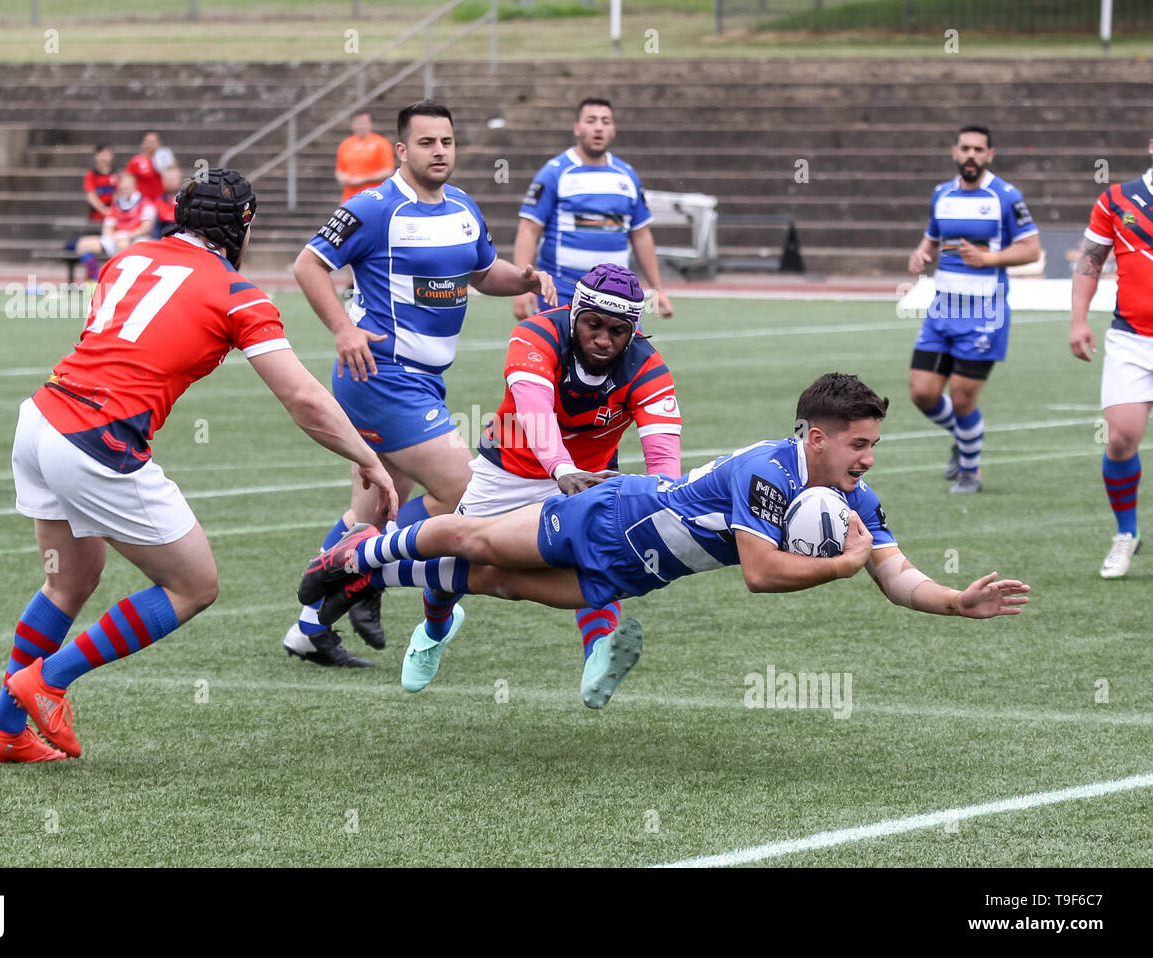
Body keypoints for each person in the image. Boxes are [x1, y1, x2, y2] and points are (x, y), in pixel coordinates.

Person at [0, 168, 398, 763]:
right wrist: (367, 458)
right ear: (242, 228)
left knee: (68, 580)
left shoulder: (129, 259)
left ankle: (3, 729)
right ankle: (45, 682)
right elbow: (302, 399)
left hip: (41, 418)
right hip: (97, 439)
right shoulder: (239, 294)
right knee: (194, 585)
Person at [302, 373, 1031, 709]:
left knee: (496, 583)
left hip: (636, 571)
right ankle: (352, 558)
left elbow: (896, 572)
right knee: (480, 539)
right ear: (817, 437)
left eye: (873, 445)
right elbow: (761, 573)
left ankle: (376, 582)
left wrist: (951, 601)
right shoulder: (767, 468)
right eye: (859, 444)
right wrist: (842, 563)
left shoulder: (853, 499)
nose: (868, 459)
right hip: (611, 517)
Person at [282, 99, 556, 668]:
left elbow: (484, 272)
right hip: (380, 378)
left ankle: (310, 627)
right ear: (401, 150)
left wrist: (524, 278)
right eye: (427, 143)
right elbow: (308, 265)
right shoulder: (373, 207)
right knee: (463, 492)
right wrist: (342, 329)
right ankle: (363, 579)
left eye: (447, 142)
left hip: (424, 384)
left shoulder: (461, 206)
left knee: (376, 509)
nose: (439, 152)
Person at [367, 262, 681, 698]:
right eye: (593, 324)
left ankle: (598, 656)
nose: (604, 339)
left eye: (618, 330)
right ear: (574, 314)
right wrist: (561, 468)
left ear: (635, 330)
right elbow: (535, 413)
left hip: (586, 480)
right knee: (453, 568)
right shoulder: (535, 334)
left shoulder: (649, 368)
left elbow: (664, 460)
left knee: (597, 561)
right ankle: (434, 630)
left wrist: (662, 504)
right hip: (510, 469)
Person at [906, 124, 1040, 494]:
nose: (971, 156)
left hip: (984, 314)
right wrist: (922, 253)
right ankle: (965, 435)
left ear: (989, 155)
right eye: (965, 148)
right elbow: (934, 237)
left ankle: (970, 472)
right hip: (942, 311)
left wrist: (988, 258)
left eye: (979, 150)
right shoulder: (941, 194)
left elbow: (1031, 249)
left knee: (964, 398)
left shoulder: (1005, 196)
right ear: (955, 152)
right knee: (922, 393)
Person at [1069, 137, 1153, 578]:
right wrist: (1077, 320)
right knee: (1121, 437)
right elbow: (1090, 260)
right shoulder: (1117, 199)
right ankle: (1126, 533)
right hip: (1132, 340)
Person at [512, 97, 674, 322]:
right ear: (577, 128)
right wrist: (522, 288)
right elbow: (529, 230)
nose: (599, 127)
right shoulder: (555, 172)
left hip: (616, 294)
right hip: (562, 292)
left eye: (605, 121)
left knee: (620, 355)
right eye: (591, 120)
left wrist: (657, 288)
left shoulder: (627, 176)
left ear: (613, 129)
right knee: (562, 356)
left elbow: (641, 234)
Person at [74, 170, 156, 279]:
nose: (123, 185)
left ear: (135, 184)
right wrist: (112, 237)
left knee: (124, 246)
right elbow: (107, 227)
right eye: (122, 182)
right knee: (82, 245)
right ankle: (95, 280)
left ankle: (124, 282)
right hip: (116, 239)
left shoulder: (146, 203)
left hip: (136, 240)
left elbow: (146, 228)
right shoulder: (116, 205)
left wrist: (128, 235)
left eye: (127, 182)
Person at [335, 110, 395, 203]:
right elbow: (340, 171)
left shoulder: (381, 143)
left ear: (371, 124)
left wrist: (364, 179)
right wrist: (344, 178)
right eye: (357, 123)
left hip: (372, 197)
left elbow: (387, 171)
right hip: (349, 198)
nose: (360, 126)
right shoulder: (346, 144)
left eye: (363, 123)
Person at [126, 131, 167, 203]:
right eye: (147, 141)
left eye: (153, 141)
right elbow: (128, 181)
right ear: (142, 143)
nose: (150, 144)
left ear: (159, 143)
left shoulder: (166, 160)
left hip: (161, 201)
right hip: (142, 203)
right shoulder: (135, 161)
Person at [82, 144, 116, 224]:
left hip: (113, 217)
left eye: (107, 155)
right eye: (102, 155)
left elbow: (117, 194)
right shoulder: (91, 175)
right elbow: (91, 196)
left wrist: (112, 211)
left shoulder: (116, 175)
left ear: (112, 156)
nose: (104, 158)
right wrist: (105, 211)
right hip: (95, 217)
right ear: (96, 156)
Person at [153, 166, 183, 237]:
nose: (168, 182)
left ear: (179, 180)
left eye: (171, 179)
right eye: (166, 180)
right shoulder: (158, 201)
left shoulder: (187, 200)